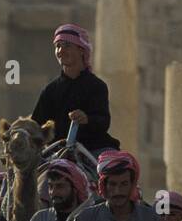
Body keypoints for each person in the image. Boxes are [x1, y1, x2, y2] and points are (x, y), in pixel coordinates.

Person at [31, 23, 120, 155]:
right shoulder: (50, 90)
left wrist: (87, 119)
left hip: (93, 150)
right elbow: (36, 125)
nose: (60, 51)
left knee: (119, 167)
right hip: (56, 153)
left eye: (67, 45)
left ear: (81, 50)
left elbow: (103, 122)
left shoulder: (97, 86)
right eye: (58, 46)